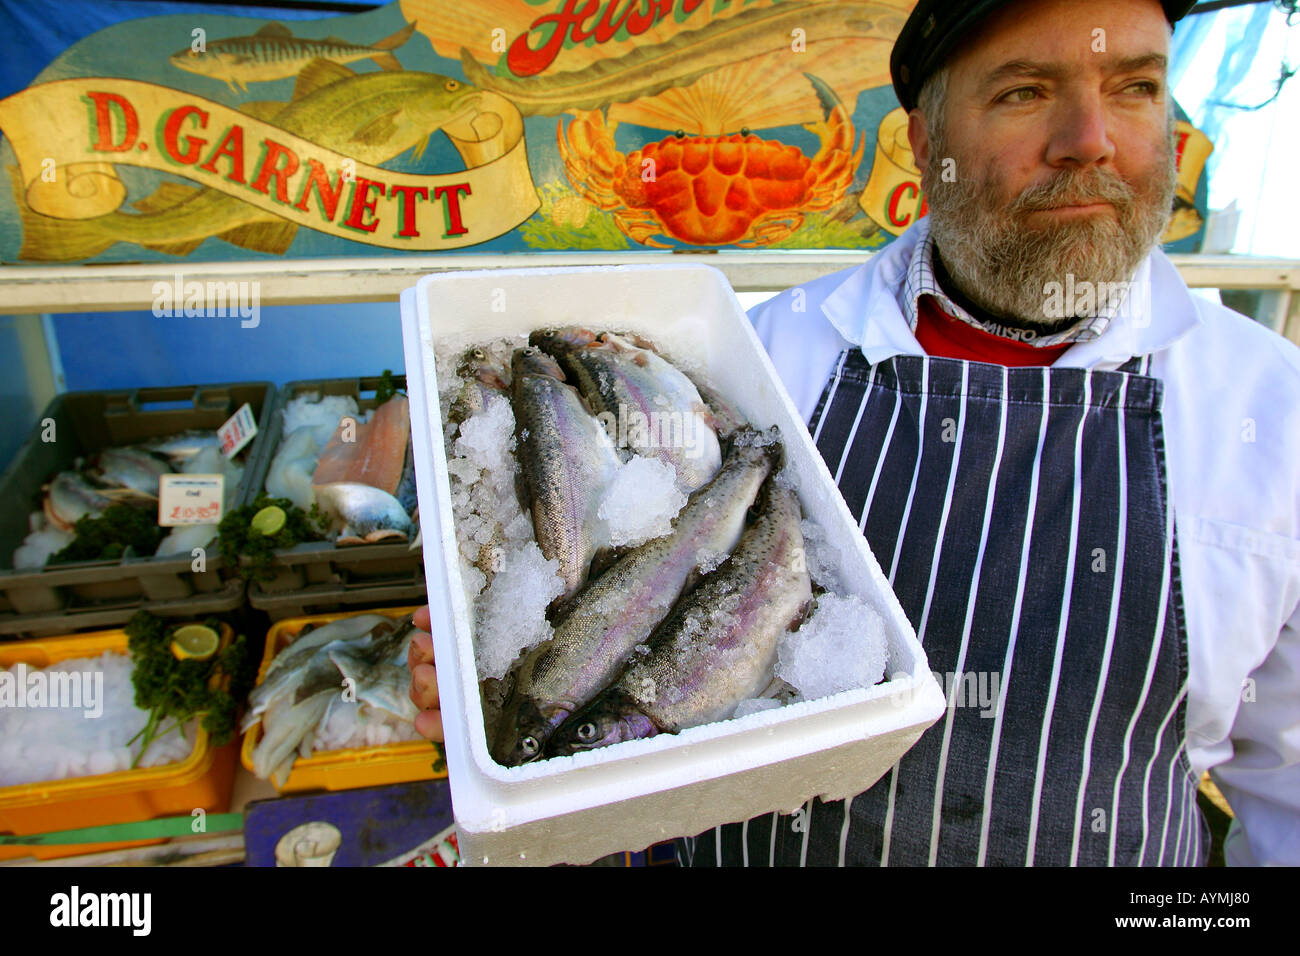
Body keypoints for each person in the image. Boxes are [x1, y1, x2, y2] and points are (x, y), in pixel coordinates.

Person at [410, 0, 1300, 866]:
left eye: (1137, 86)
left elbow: (1289, 778)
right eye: (1024, 91)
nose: (1090, 137)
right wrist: (476, 654)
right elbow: (604, 554)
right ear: (924, 143)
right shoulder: (762, 358)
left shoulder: (1274, 411)